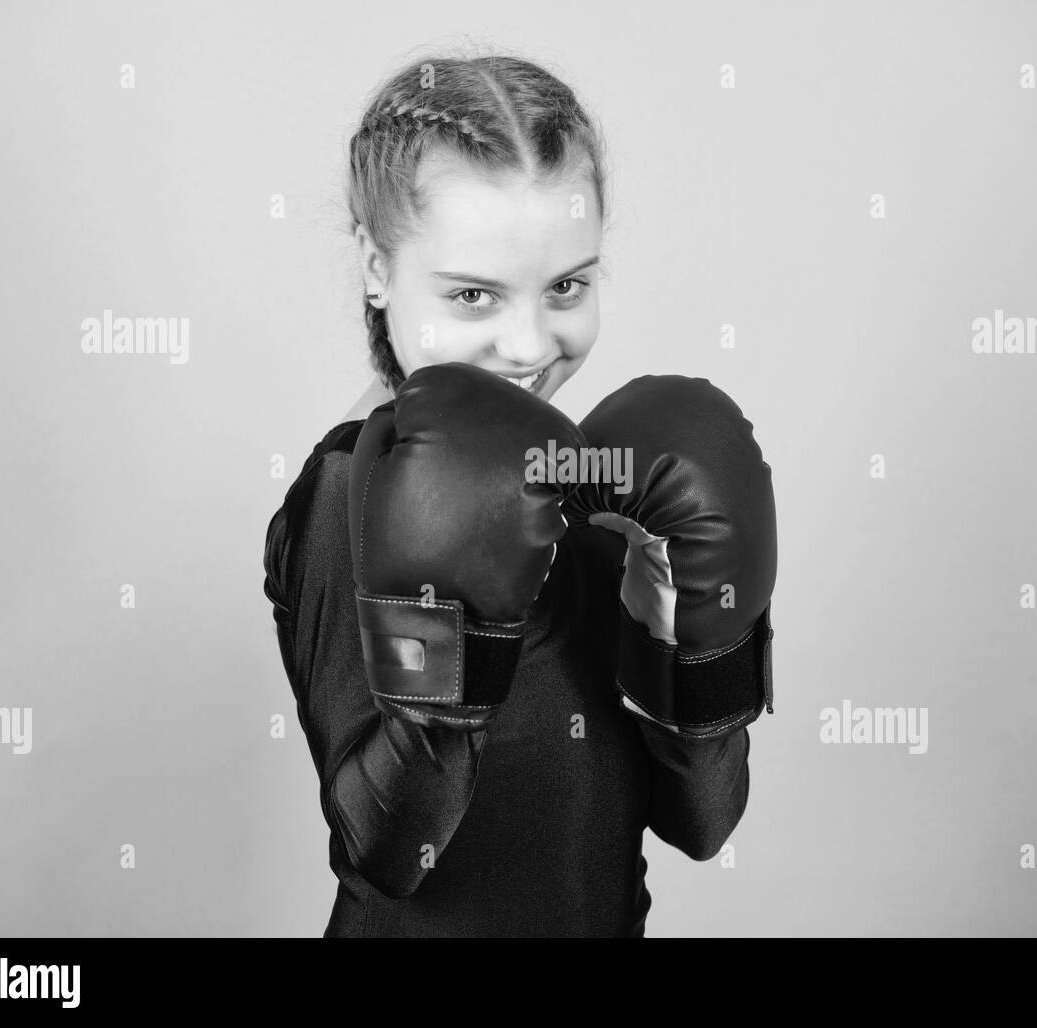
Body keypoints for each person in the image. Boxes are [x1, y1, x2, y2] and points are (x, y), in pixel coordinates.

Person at [262, 50, 775, 937]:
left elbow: (703, 824)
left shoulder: (605, 484)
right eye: (473, 295)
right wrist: (443, 685)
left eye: (567, 285)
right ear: (376, 266)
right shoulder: (349, 492)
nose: (530, 344)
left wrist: (694, 638)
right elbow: (387, 853)